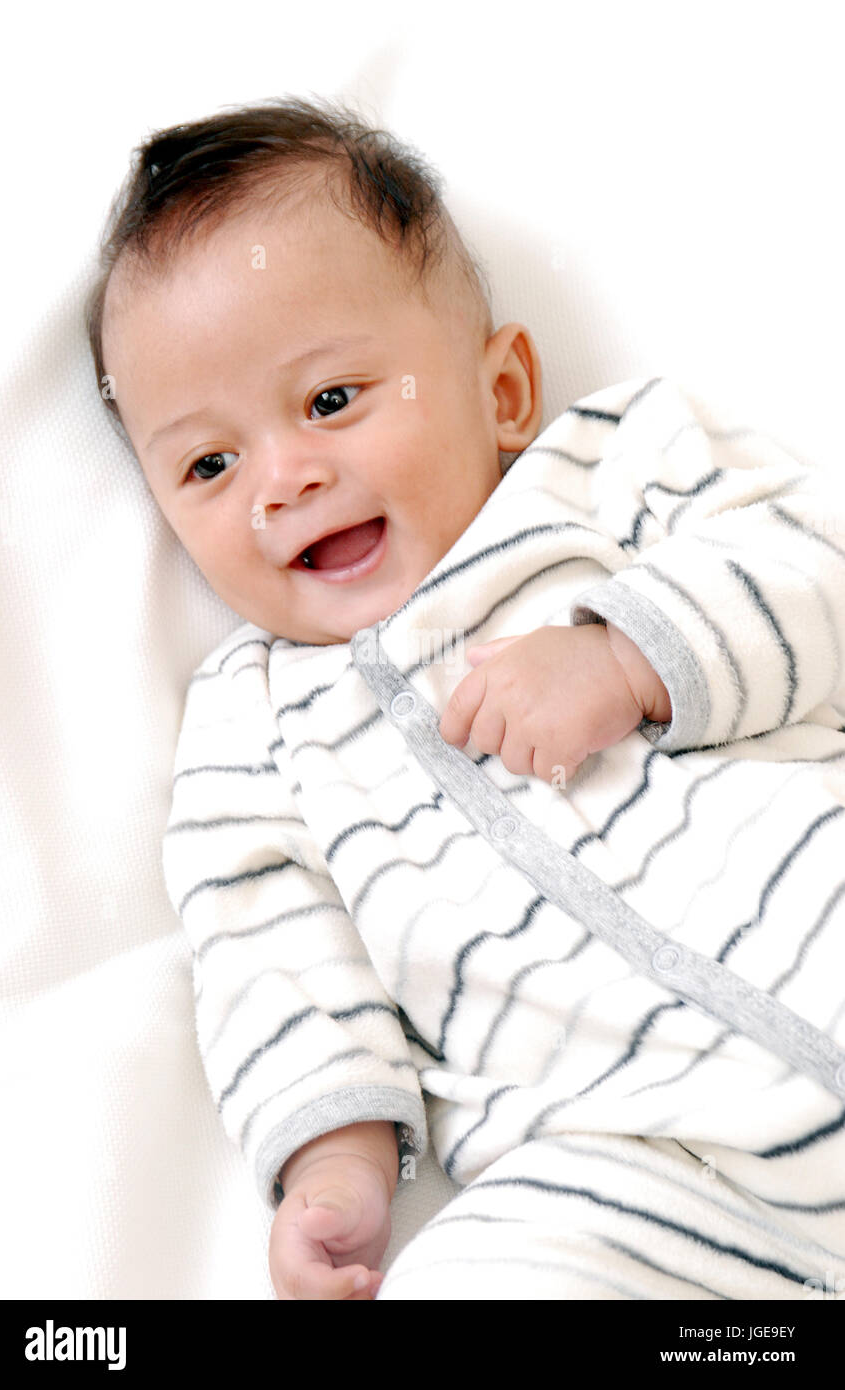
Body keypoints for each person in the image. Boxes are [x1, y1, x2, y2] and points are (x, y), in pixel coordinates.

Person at [86, 95, 845, 1301]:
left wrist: (626, 656)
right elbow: (267, 944)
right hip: (631, 1158)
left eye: (331, 400)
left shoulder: (606, 469)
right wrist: (329, 1162)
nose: (284, 480)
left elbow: (816, 568)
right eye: (208, 464)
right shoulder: (248, 724)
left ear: (502, 392)